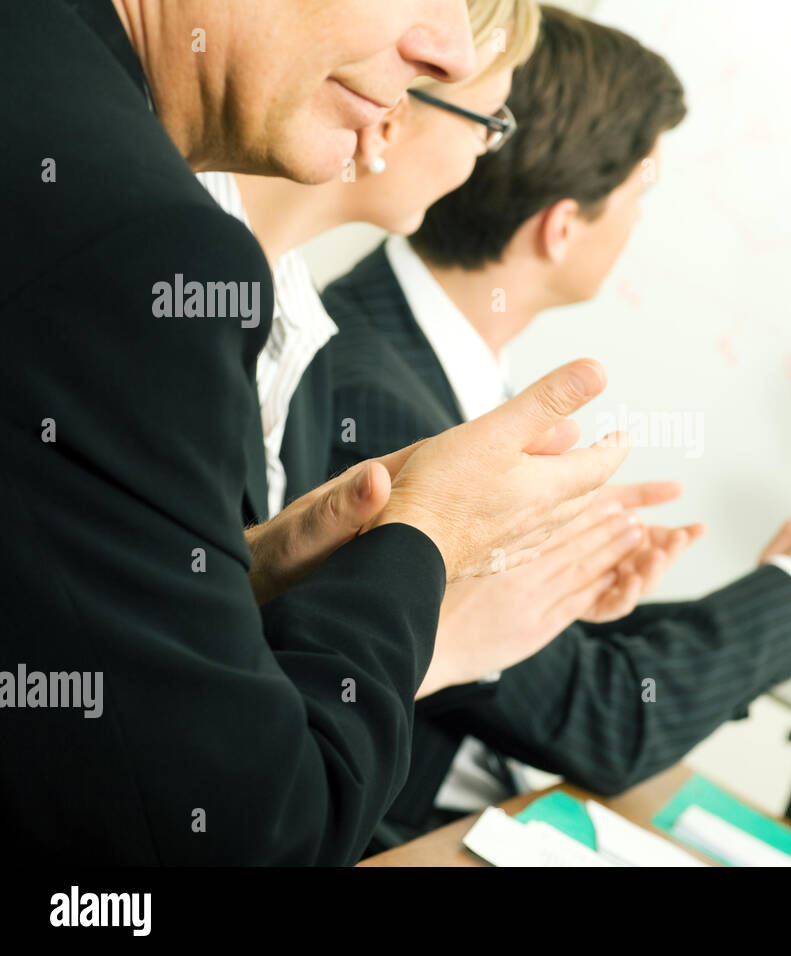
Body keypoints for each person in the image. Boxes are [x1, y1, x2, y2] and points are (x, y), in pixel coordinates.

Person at [1, 0, 629, 864]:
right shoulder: (151, 244)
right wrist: (425, 536)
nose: (446, 55)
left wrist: (250, 572)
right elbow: (256, 833)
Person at [311, 5, 791, 848]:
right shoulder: (379, 405)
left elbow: (547, 675)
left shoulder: (429, 362)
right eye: (641, 192)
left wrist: (582, 602)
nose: (643, 221)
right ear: (562, 227)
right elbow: (600, 722)